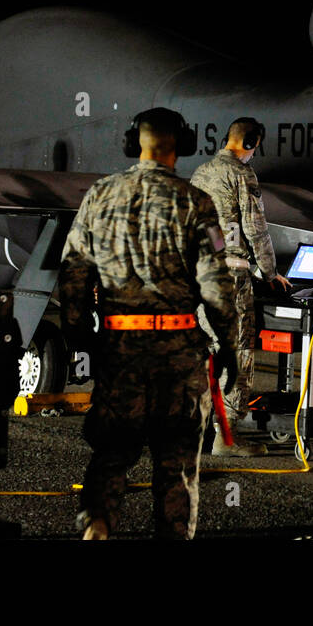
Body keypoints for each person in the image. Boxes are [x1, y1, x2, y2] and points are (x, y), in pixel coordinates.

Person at [58, 107, 239, 540]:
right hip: (179, 358)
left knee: (112, 454)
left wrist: (79, 333)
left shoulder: (100, 195)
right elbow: (217, 286)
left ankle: (98, 523)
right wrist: (230, 344)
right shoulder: (196, 203)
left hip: (120, 350)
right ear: (183, 144)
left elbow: (73, 270)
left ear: (132, 142)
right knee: (176, 467)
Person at [189, 117, 290, 456]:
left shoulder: (201, 172)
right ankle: (226, 435)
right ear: (249, 143)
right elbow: (255, 227)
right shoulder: (242, 174)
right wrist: (270, 271)